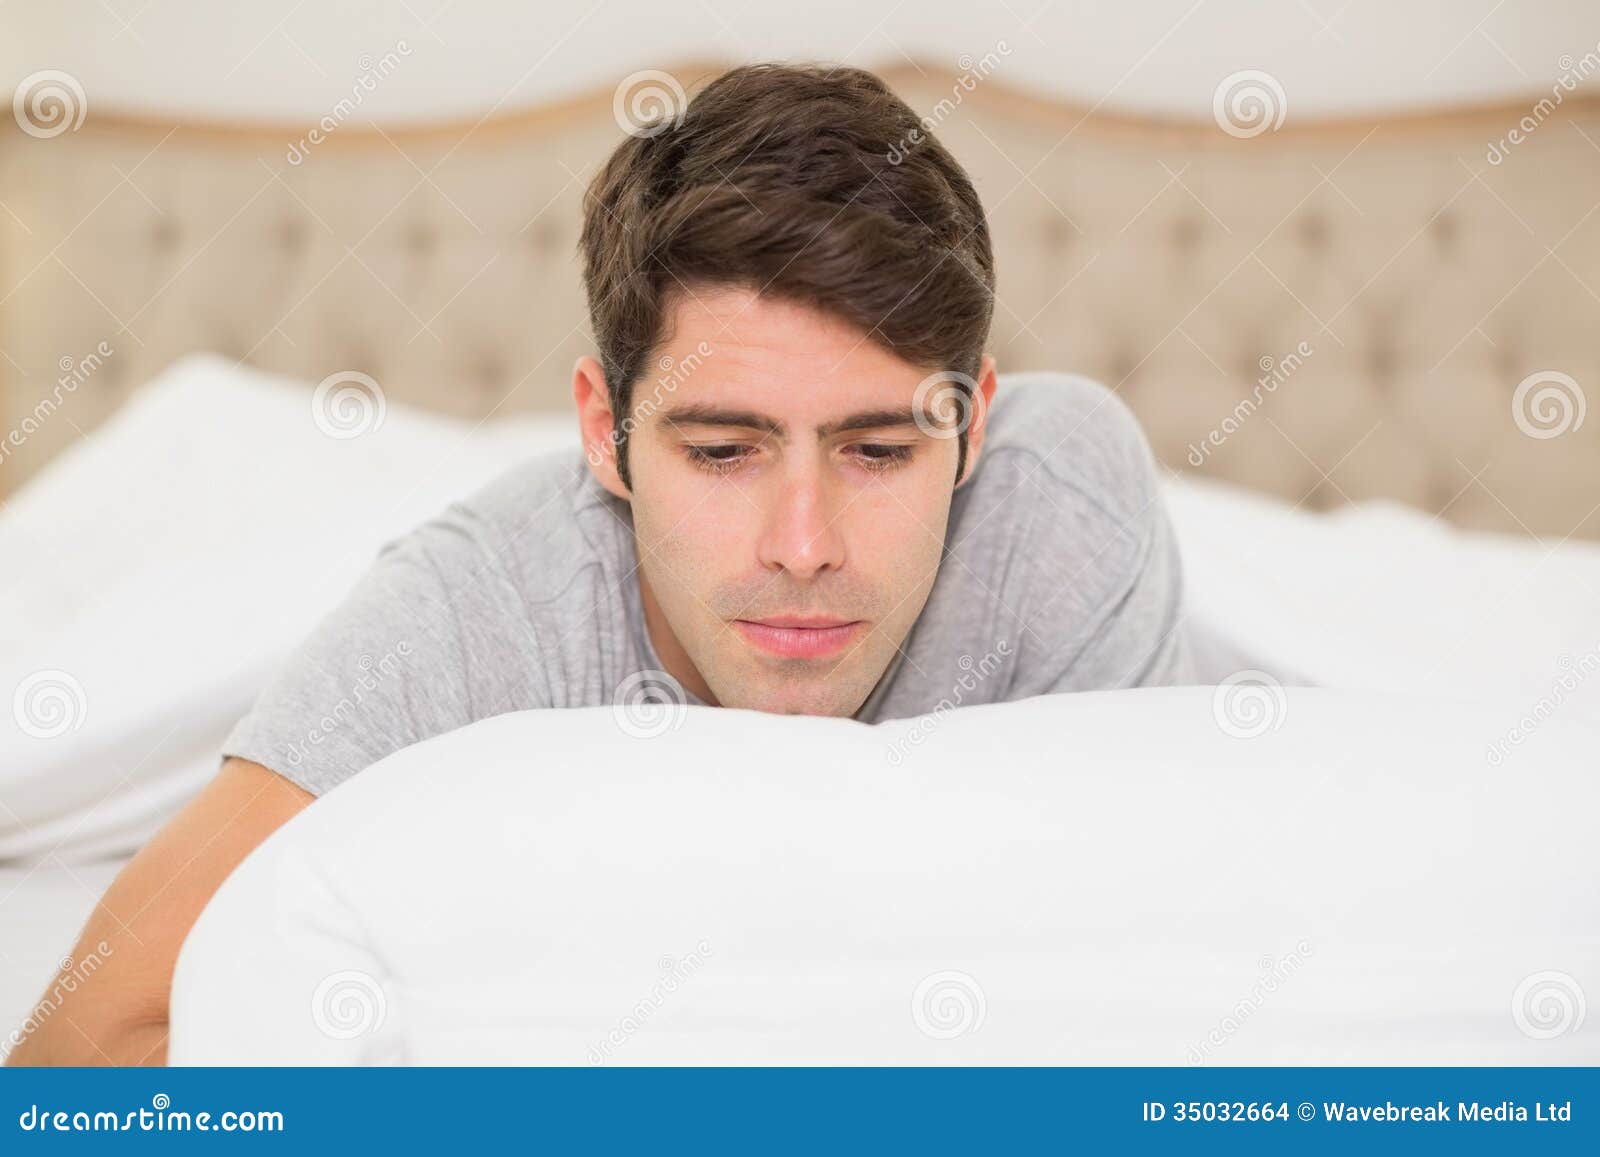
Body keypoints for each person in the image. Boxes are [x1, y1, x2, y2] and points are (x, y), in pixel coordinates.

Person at [7, 61, 1191, 1067]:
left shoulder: (1061, 511)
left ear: (973, 427)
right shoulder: (477, 614)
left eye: (877, 450)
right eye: (722, 450)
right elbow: (78, 1057)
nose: (803, 546)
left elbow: (1150, 1009)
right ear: (603, 433)